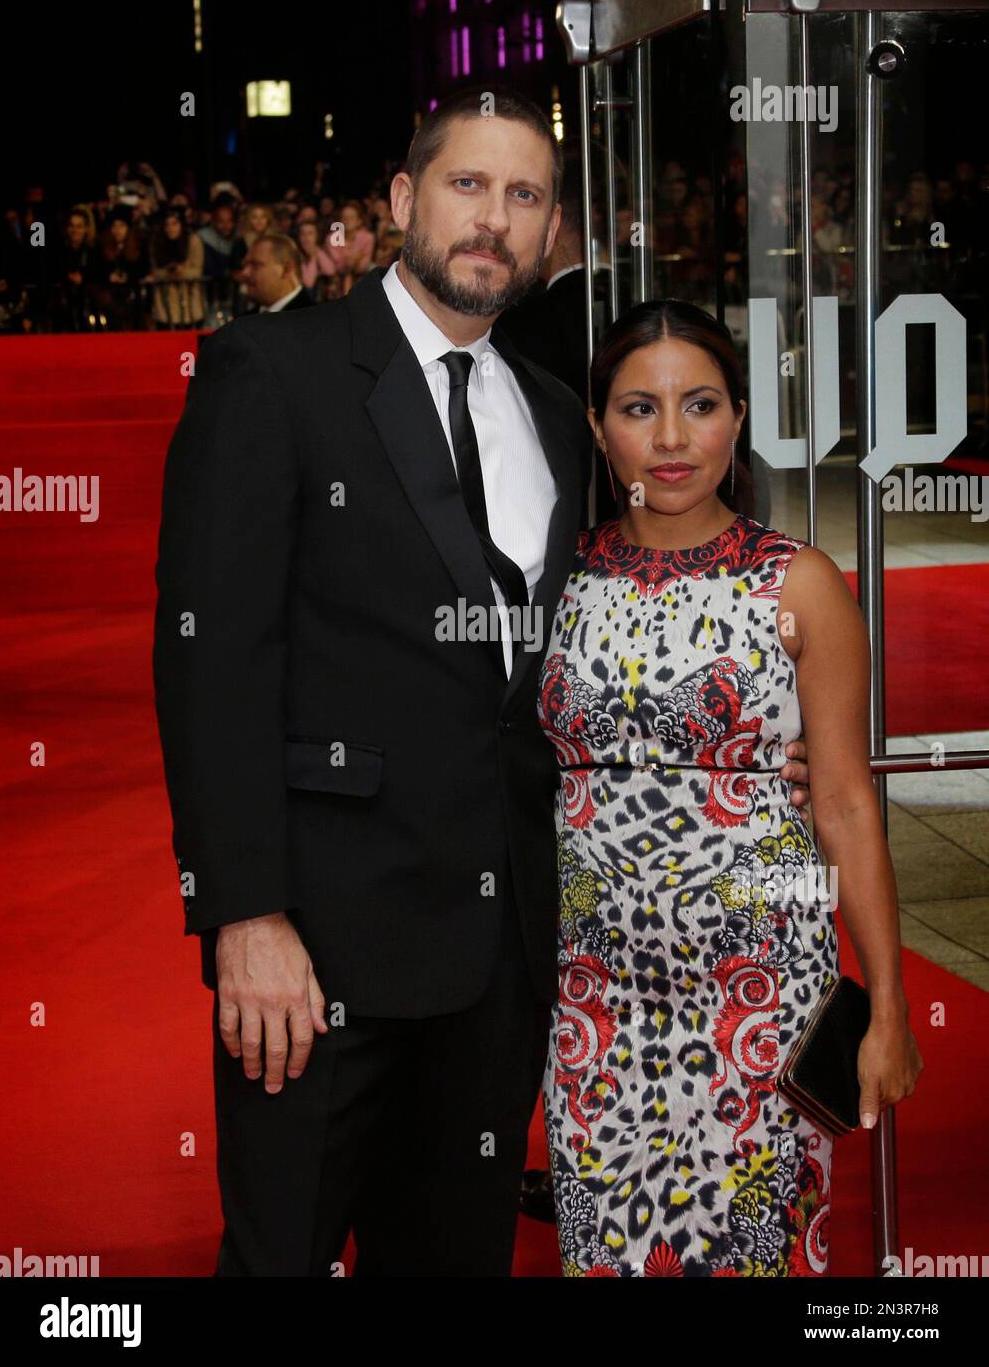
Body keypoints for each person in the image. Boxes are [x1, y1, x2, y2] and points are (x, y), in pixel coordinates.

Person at [152, 86, 812, 1277]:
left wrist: (747, 751)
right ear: (405, 198)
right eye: (468, 185)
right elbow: (212, 661)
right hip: (320, 954)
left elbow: (592, 655)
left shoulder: (556, 415)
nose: (492, 219)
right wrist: (244, 914)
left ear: (552, 229)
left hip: (502, 956)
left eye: (524, 196)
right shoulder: (272, 371)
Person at [537, 298, 923, 1277]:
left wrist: (889, 1008)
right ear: (598, 427)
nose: (671, 439)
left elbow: (844, 803)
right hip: (595, 1002)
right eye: (638, 408)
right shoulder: (554, 583)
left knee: (758, 1259)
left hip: (759, 1001)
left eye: (700, 404)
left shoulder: (799, 584)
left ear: (738, 417)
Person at [238, 231, 316, 312]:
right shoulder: (246, 317)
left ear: (286, 269)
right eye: (245, 265)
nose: (245, 272)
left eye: (255, 265)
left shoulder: (316, 317)